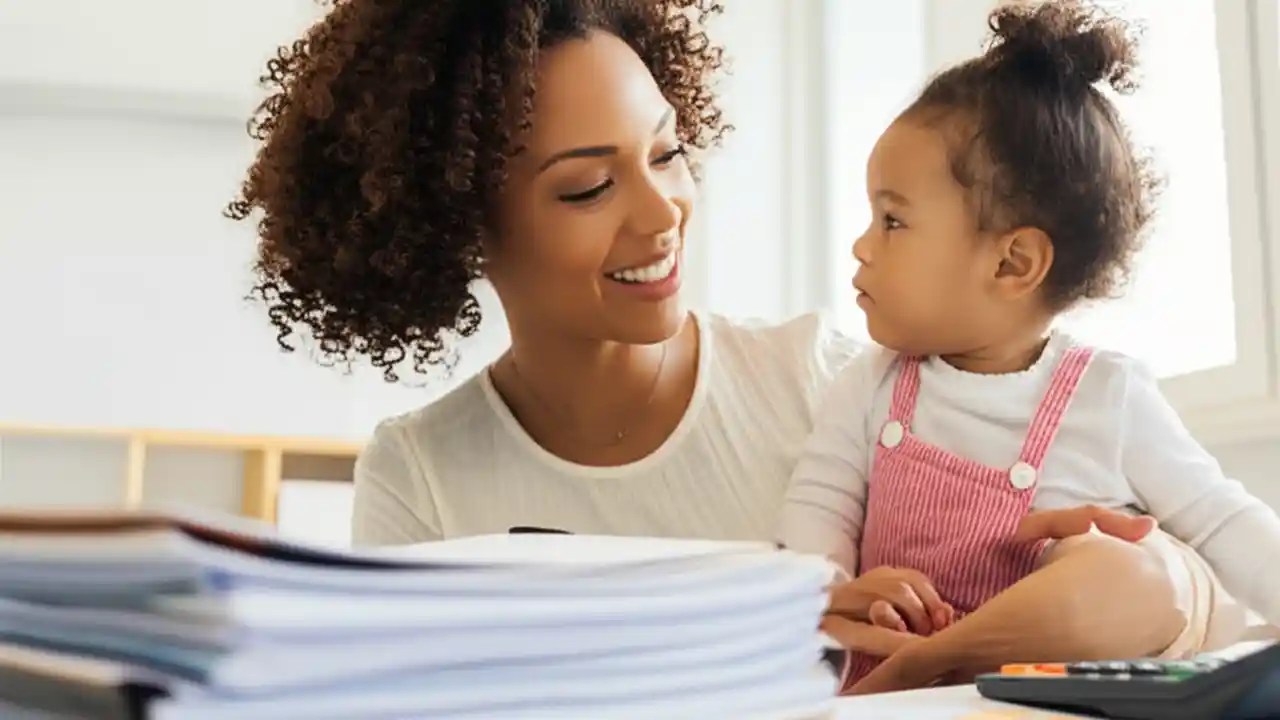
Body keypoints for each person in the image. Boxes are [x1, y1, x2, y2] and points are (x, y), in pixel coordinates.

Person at [227, 0, 1194, 695]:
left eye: (667, 151)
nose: (665, 212)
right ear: (456, 223)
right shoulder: (420, 474)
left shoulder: (835, 378)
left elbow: (1178, 604)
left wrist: (1163, 588)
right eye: (585, 188)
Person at [779, 0, 1278, 694]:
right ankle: (912, 667)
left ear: (1013, 264)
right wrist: (837, 589)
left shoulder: (1109, 396)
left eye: (893, 220)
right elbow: (814, 513)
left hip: (1032, 696)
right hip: (881, 694)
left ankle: (940, 656)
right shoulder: (871, 388)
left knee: (1116, 566)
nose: (862, 246)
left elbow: (1223, 520)